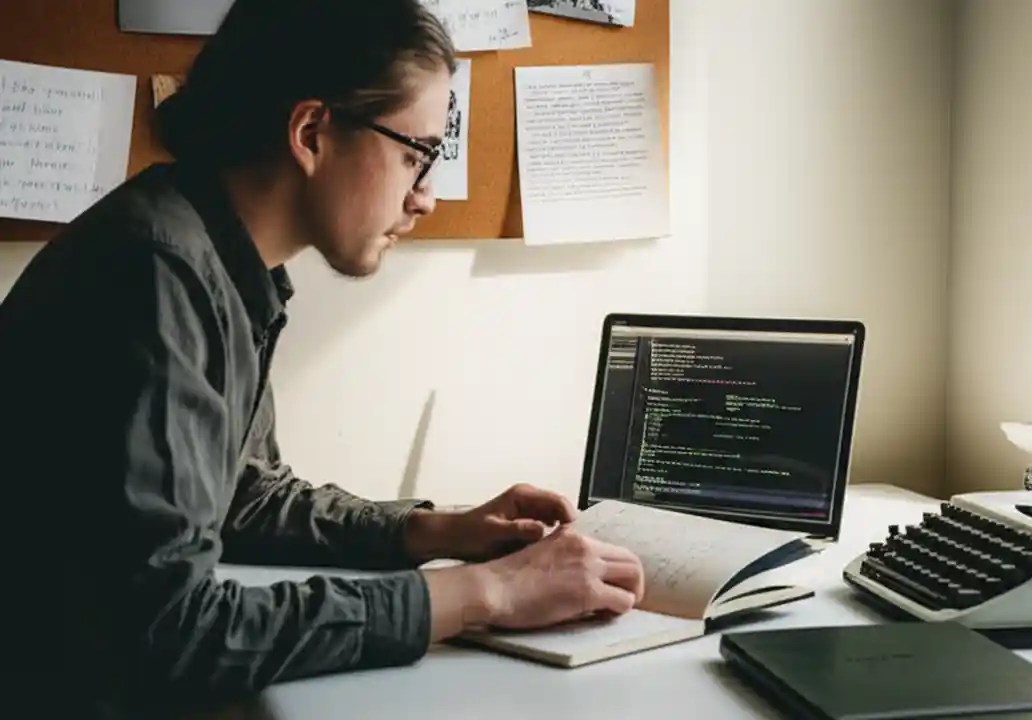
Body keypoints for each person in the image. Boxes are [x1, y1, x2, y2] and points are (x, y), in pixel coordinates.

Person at [0, 0, 644, 716]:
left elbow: (243, 494)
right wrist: (487, 594)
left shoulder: (215, 263)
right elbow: (169, 629)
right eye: (415, 153)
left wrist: (434, 530)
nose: (426, 196)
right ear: (311, 132)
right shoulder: (152, 277)